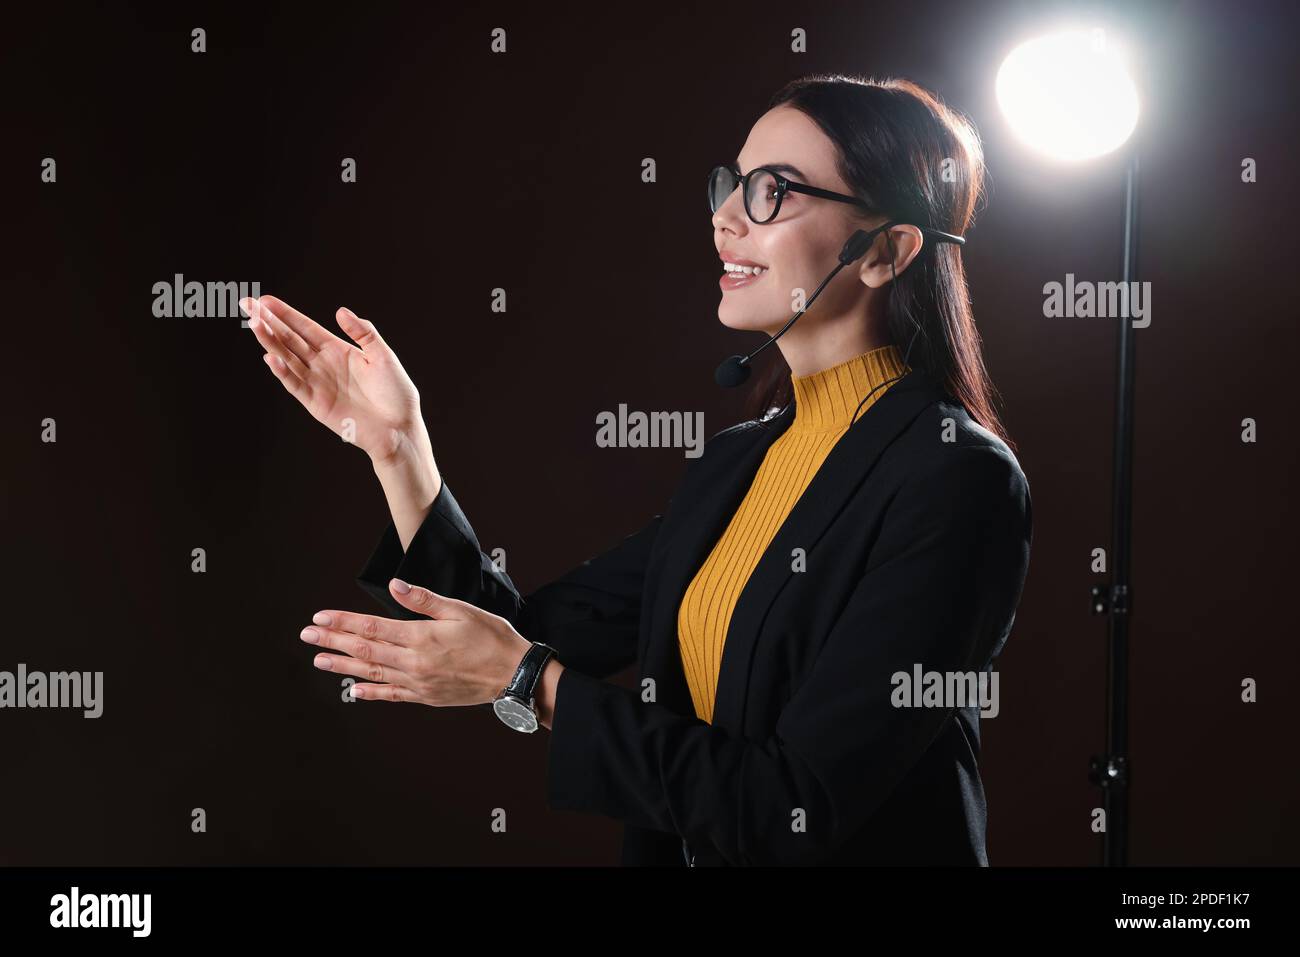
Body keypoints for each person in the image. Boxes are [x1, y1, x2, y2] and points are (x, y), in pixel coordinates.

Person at [241, 72, 1032, 866]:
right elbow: (523, 636)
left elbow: (797, 805)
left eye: (773, 191)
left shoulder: (956, 478)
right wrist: (399, 447)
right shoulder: (739, 460)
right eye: (732, 184)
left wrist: (530, 680)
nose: (725, 218)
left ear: (885, 252)